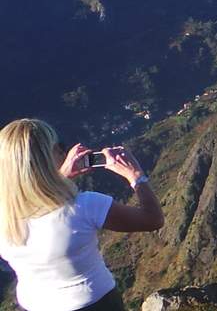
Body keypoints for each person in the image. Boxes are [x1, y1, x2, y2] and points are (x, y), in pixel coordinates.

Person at [0, 119, 163, 311]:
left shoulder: (6, 214)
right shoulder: (84, 206)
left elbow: (38, 208)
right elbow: (152, 219)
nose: (63, 152)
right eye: (58, 148)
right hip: (95, 305)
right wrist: (136, 176)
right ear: (45, 158)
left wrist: (60, 177)